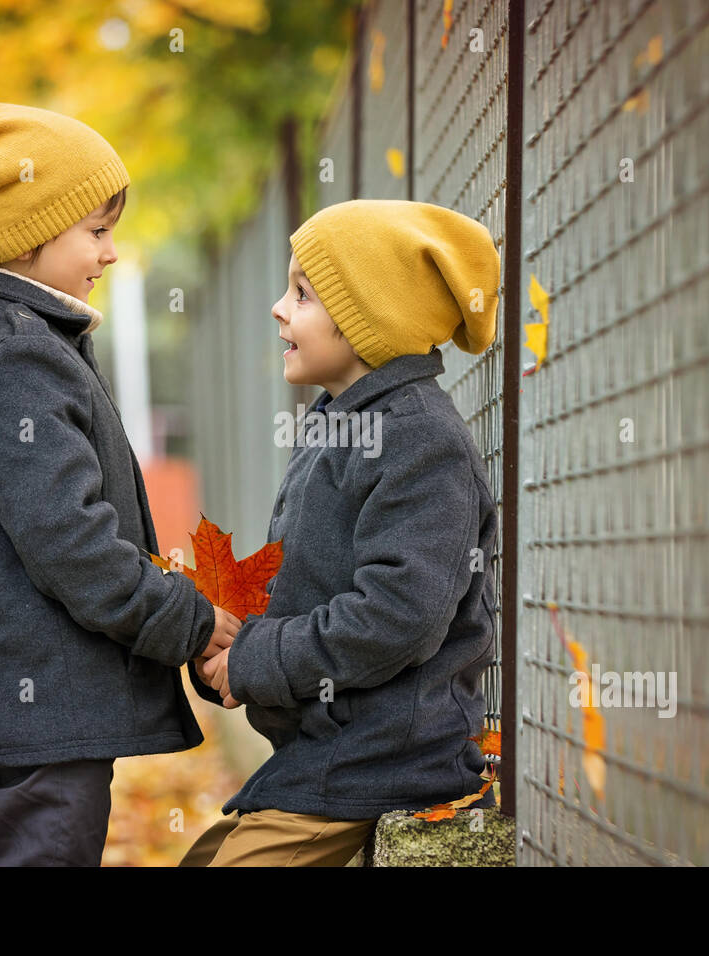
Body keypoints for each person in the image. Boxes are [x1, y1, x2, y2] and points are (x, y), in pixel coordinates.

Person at [0, 102, 241, 866]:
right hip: (41, 686)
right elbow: (71, 541)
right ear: (27, 234)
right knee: (47, 850)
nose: (111, 253)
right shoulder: (21, 356)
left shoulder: (15, 341)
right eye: (96, 230)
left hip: (41, 684)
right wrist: (180, 619)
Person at [182, 199, 501, 866]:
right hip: (328, 755)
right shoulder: (343, 420)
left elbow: (396, 617)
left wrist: (258, 661)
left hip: (384, 759)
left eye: (302, 293)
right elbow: (309, 580)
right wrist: (232, 646)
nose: (278, 307)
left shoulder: (418, 438)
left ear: (369, 318)